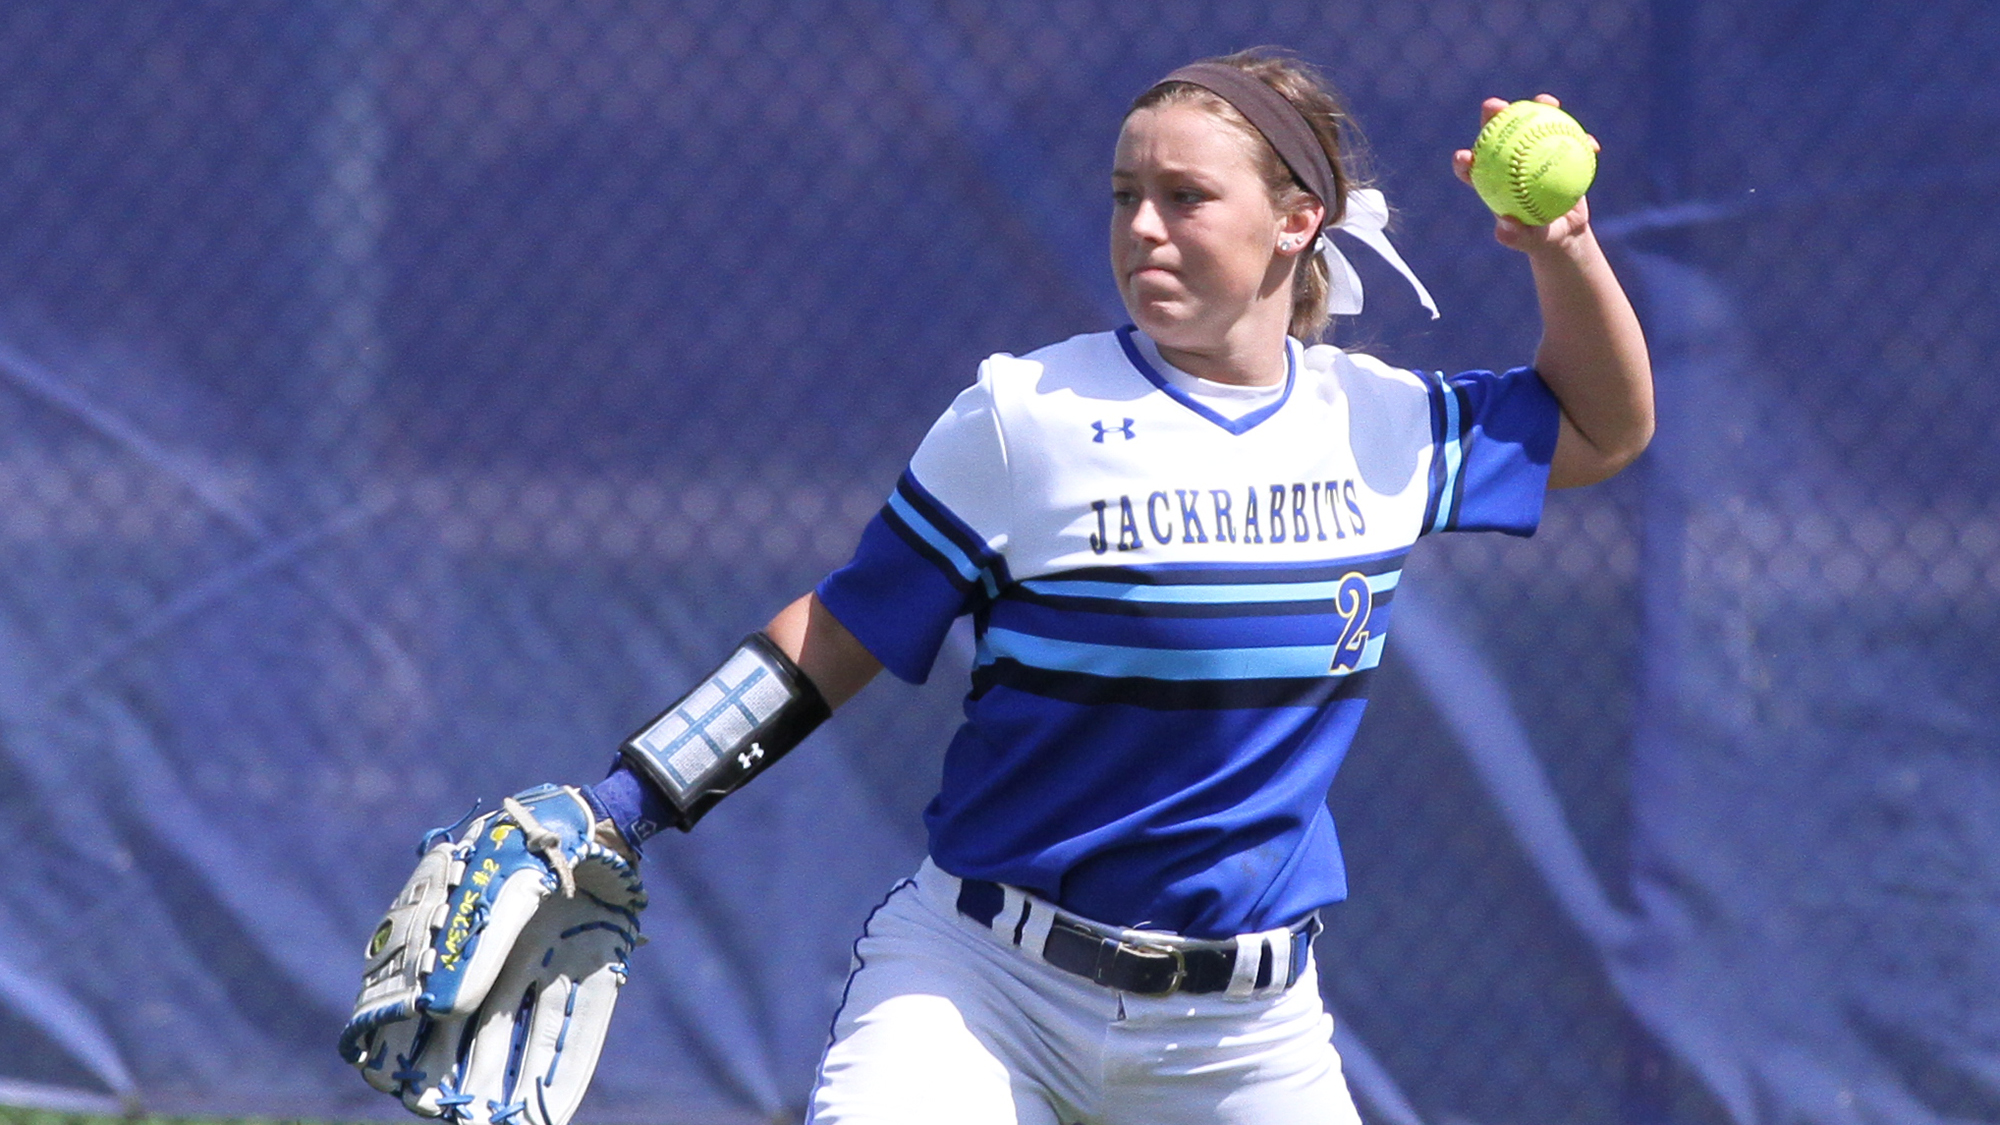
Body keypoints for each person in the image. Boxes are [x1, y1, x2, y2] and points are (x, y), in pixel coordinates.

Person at [342, 47, 1650, 1125]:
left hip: (1244, 1036)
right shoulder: (1030, 414)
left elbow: (1602, 429)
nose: (1142, 223)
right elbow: (842, 631)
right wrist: (630, 798)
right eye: (1125, 191)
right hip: (984, 982)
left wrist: (1564, 247)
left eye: (1187, 196)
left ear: (1296, 220)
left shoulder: (1386, 427)